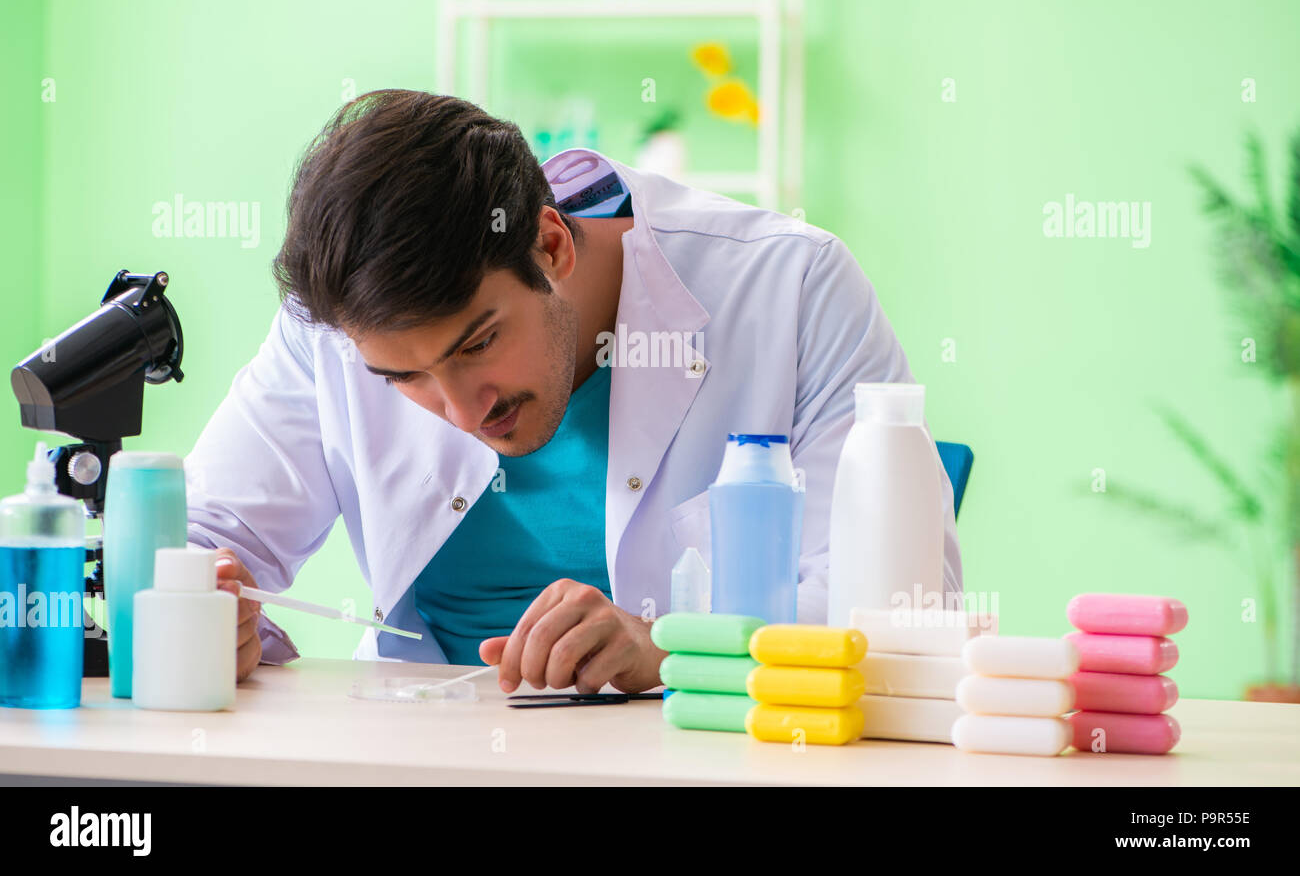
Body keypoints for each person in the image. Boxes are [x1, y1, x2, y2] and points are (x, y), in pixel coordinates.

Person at [188, 89, 962, 694]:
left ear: (552, 244)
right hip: (425, 755)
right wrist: (213, 616)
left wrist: (672, 648)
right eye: (405, 379)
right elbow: (201, 536)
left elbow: (905, 607)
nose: (461, 412)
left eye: (478, 343)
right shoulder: (330, 326)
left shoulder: (793, 287)